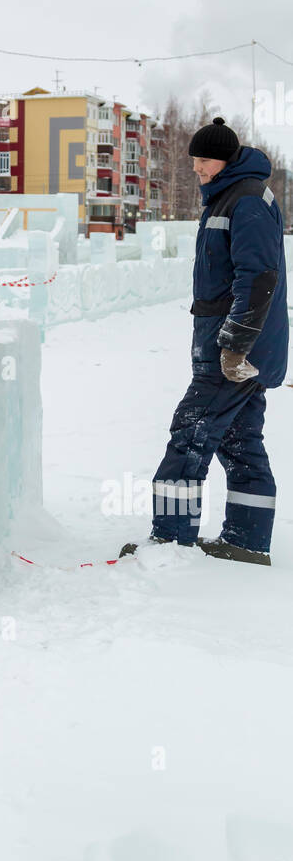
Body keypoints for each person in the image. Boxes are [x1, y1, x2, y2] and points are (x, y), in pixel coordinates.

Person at [121, 117, 288, 566]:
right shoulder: (231, 196)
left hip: (234, 351)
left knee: (189, 433)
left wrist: (234, 346)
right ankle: (246, 542)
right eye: (193, 159)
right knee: (239, 440)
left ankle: (171, 541)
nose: (197, 168)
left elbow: (258, 279)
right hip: (238, 346)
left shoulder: (246, 201)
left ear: (227, 159)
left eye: (204, 160)